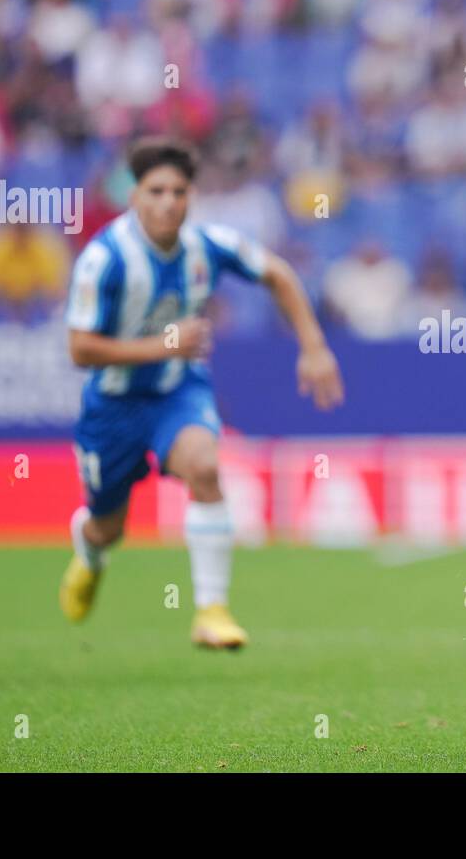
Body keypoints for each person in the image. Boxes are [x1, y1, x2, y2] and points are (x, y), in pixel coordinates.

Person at [60, 138, 344, 648]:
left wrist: (313, 344)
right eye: (156, 191)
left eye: (179, 191)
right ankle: (90, 550)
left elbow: (276, 272)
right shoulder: (104, 259)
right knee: (110, 526)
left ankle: (211, 611)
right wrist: (163, 344)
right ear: (135, 197)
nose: (168, 202)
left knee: (206, 468)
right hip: (113, 407)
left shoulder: (207, 246)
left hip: (178, 392)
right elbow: (79, 349)